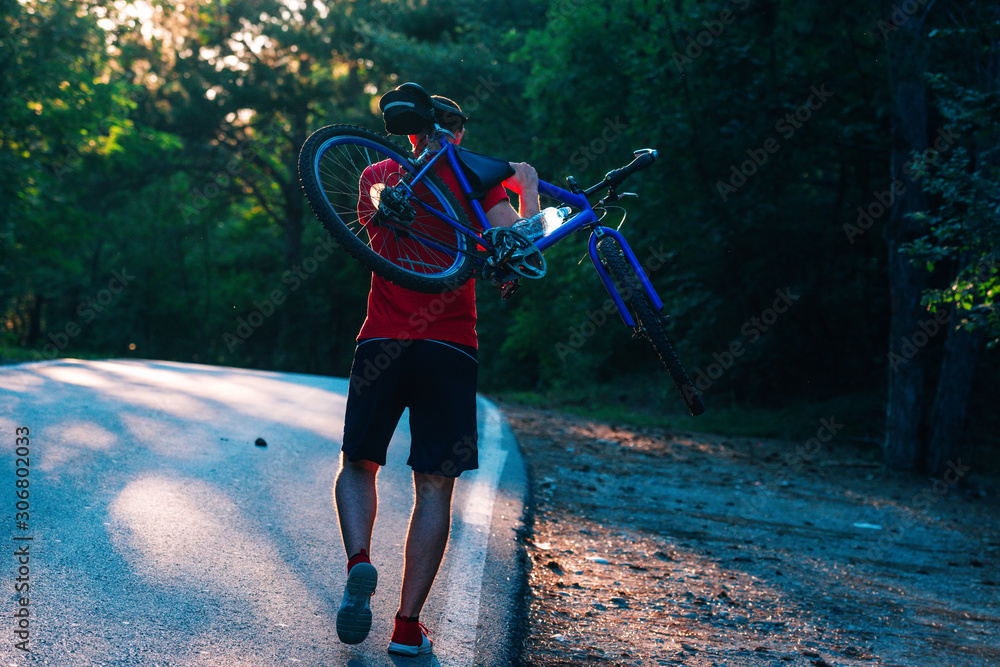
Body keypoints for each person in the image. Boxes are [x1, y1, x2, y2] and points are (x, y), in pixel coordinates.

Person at [334, 87, 539, 656]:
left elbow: (374, 227)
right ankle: (405, 627)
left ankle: (359, 562)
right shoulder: (480, 183)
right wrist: (528, 189)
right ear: (460, 134)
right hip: (449, 346)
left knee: (359, 463)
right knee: (434, 487)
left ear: (412, 132)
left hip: (381, 339)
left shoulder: (376, 172)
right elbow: (522, 252)